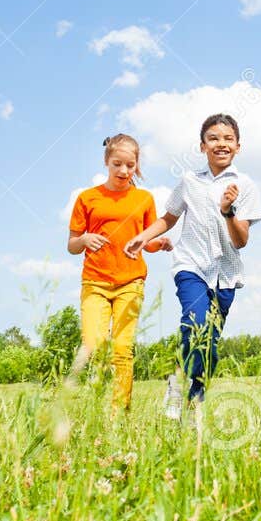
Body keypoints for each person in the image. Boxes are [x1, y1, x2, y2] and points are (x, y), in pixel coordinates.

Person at [125, 114, 261, 422]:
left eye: (228, 138)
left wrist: (228, 211)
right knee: (195, 323)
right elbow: (169, 217)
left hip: (226, 276)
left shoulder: (246, 185)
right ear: (202, 146)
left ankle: (191, 401)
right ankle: (179, 388)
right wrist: (143, 237)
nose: (221, 143)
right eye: (213, 138)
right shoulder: (189, 181)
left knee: (209, 348)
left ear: (238, 146)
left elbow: (241, 241)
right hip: (191, 266)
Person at [67, 134, 171, 410]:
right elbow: (72, 245)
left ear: (136, 165)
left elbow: (146, 241)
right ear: (106, 162)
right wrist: (85, 239)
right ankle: (99, 403)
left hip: (130, 282)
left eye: (130, 165)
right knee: (94, 345)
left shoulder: (143, 198)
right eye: (117, 164)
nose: (124, 171)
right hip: (95, 282)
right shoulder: (88, 198)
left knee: (122, 350)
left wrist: (159, 244)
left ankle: (118, 415)